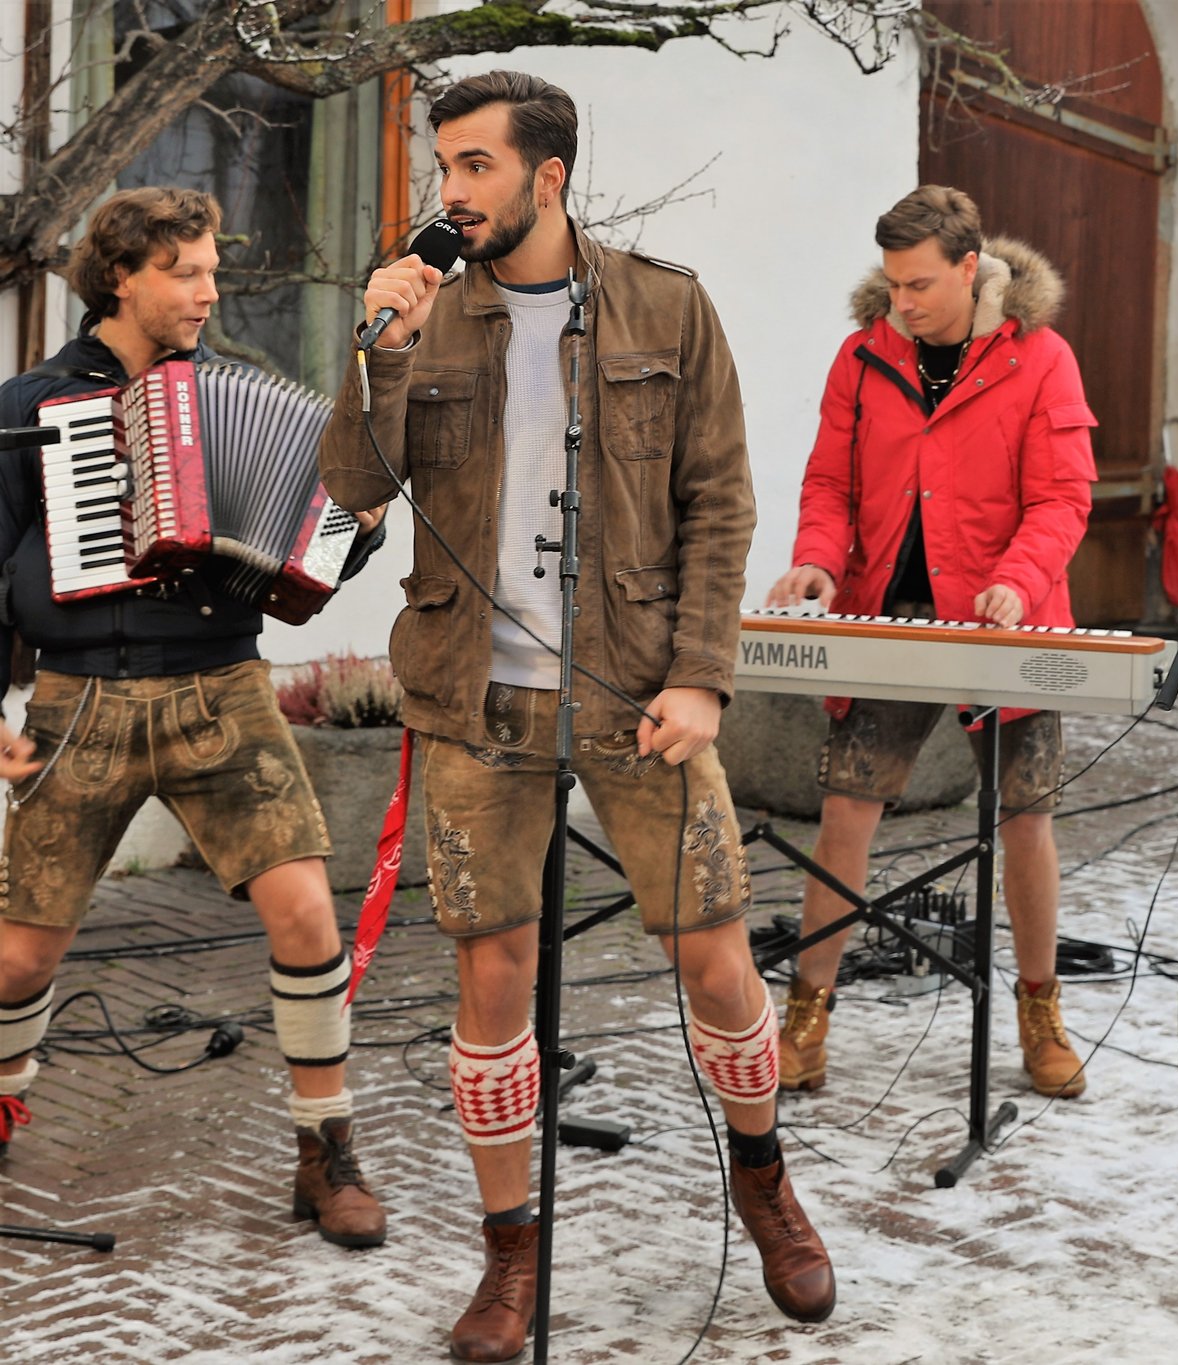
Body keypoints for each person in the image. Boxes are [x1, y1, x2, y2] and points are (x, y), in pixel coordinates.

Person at [316, 71, 832, 1360]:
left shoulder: (666, 303)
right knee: (492, 974)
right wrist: (376, 347)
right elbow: (353, 490)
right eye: (444, 167)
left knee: (712, 952)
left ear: (548, 176)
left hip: (635, 691)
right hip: (472, 698)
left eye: (476, 166)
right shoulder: (421, 317)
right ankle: (510, 1257)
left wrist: (702, 676)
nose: (452, 193)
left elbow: (720, 500)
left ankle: (762, 1179)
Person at [0, 188, 388, 1248]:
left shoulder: (230, 392)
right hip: (80, 703)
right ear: (120, 277)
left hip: (222, 689)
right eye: (185, 271)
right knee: (20, 958)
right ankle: (2, 1107)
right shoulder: (30, 405)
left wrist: (357, 527)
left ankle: (326, 1148)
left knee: (308, 914)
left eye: (212, 270)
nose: (208, 291)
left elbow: (311, 546)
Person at [762, 185, 1096, 1100]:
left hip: (1005, 618)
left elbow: (1064, 498)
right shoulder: (862, 358)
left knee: (1025, 819)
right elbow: (828, 483)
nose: (903, 302)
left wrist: (1016, 582)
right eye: (892, 284)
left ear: (968, 266)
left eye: (919, 285)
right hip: (888, 617)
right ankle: (807, 1016)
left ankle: (1039, 1011)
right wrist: (817, 564)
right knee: (846, 811)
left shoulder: (1042, 359)